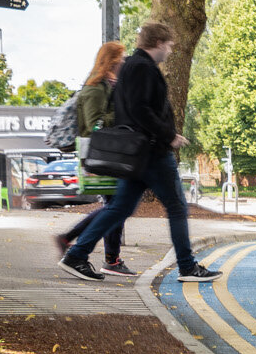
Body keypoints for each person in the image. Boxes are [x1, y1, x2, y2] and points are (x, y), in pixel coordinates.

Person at [58, 21, 222, 283]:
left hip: (136, 154)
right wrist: (169, 135)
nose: (170, 51)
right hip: (152, 152)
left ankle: (77, 254)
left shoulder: (129, 67)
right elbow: (140, 110)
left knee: (119, 208)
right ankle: (187, 266)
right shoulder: (144, 68)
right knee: (177, 207)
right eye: (169, 45)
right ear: (158, 43)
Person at [54, 40, 134, 275]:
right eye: (122, 57)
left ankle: (111, 258)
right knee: (117, 207)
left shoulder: (107, 86)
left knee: (116, 207)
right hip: (100, 155)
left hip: (106, 153)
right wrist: (120, 113)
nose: (124, 61)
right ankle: (71, 240)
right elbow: (92, 125)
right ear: (111, 60)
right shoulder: (95, 88)